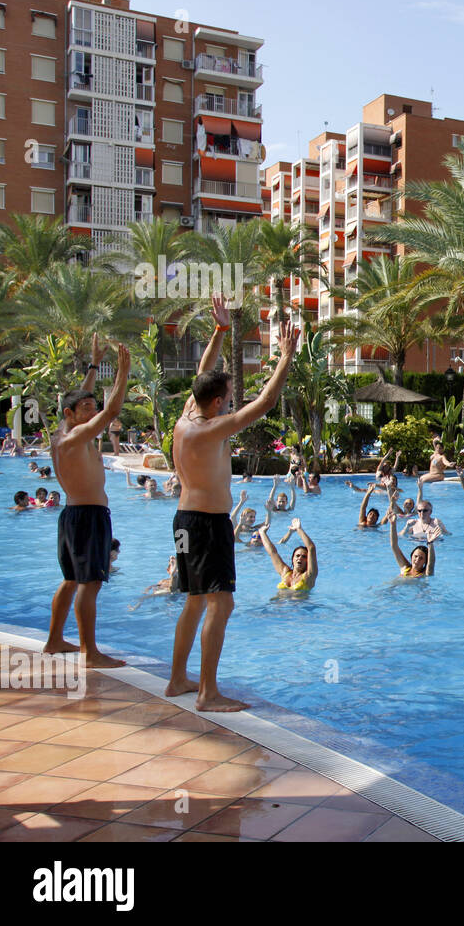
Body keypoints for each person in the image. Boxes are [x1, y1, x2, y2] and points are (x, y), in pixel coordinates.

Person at [168, 297, 299, 711]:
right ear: (217, 402)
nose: (232, 397)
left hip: (185, 520)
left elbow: (204, 374)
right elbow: (265, 404)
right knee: (220, 603)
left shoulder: (188, 416)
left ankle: (176, 680)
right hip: (207, 525)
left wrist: (222, 332)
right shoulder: (209, 429)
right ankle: (207, 693)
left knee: (193, 599)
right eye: (227, 394)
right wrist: (286, 358)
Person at [46, 337, 131, 667]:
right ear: (70, 414)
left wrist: (95, 364)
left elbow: (81, 399)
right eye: (86, 409)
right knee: (90, 583)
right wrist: (121, 372)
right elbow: (112, 411)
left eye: (91, 407)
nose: (93, 412)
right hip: (87, 517)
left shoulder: (62, 433)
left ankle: (54, 640)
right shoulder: (75, 436)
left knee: (71, 580)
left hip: (73, 515)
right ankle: (89, 652)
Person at [257, 518, 317, 592]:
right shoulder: (285, 572)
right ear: (292, 559)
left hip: (300, 603)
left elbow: (311, 548)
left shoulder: (309, 576)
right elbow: (272, 553)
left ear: (308, 561)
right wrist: (262, 533)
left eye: (304, 557)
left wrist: (299, 529)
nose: (300, 558)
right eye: (297, 556)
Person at [389, 510, 436, 578]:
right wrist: (393, 524)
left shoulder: (425, 573)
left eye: (421, 558)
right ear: (411, 557)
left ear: (425, 561)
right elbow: (394, 546)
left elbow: (431, 564)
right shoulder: (405, 567)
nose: (417, 560)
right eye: (415, 556)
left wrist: (430, 543)